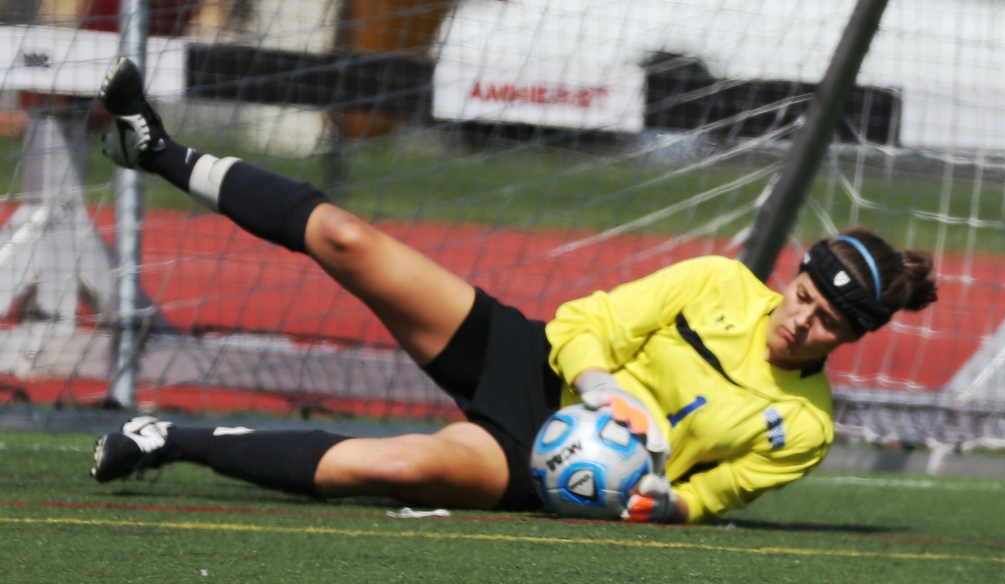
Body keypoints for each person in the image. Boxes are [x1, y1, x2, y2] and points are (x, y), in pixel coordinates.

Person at [90, 59, 938, 524]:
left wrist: (661, 498)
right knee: (349, 241)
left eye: (827, 324)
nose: (804, 323)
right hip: (528, 362)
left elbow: (714, 495)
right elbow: (587, 322)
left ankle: (167, 438)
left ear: (851, 339)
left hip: (548, 468)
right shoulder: (718, 282)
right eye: (804, 298)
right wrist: (601, 385)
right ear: (793, 278)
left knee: (389, 466)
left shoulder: (806, 428)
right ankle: (154, 148)